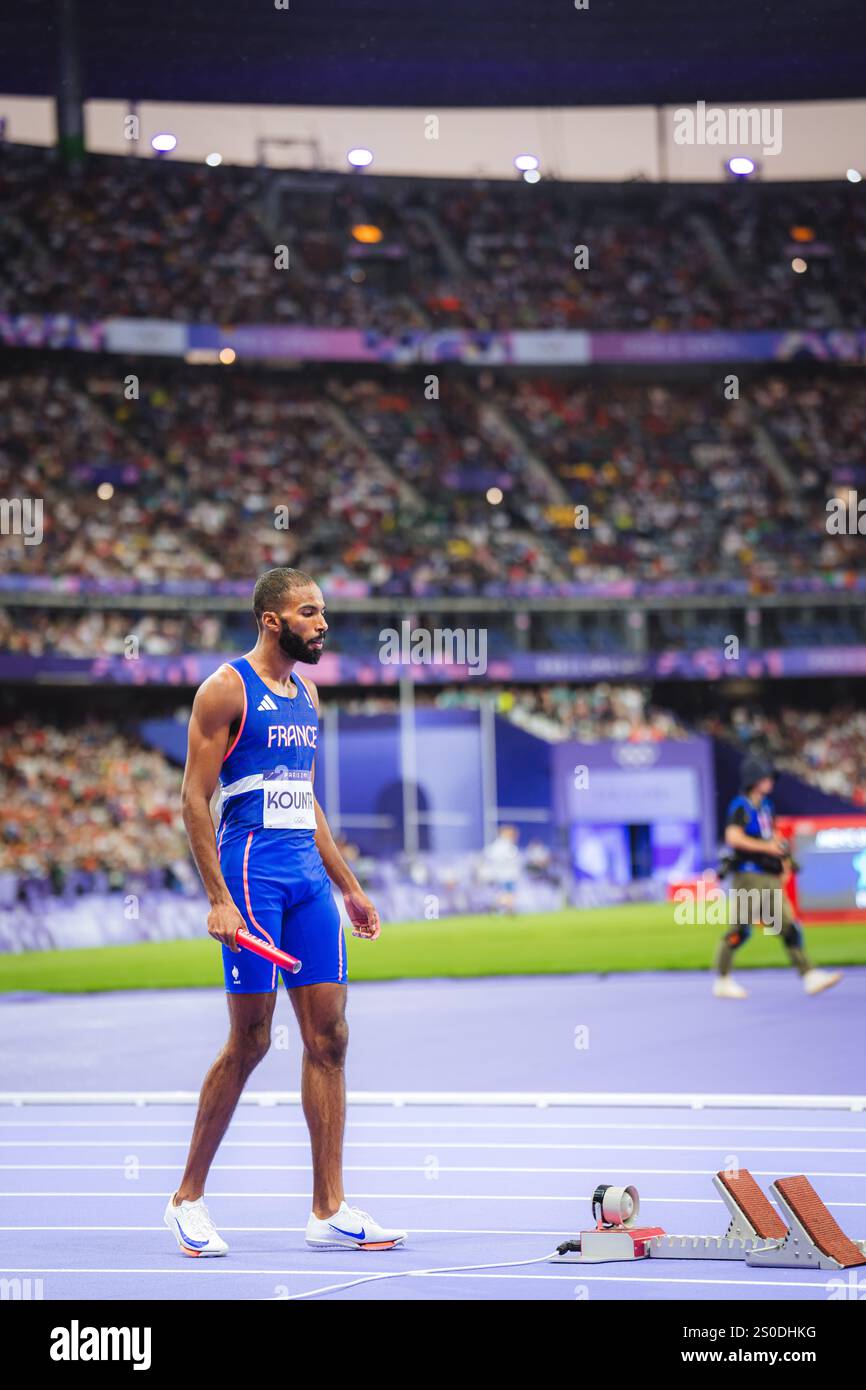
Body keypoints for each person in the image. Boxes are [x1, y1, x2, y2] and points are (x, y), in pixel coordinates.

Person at [164, 566, 406, 1254]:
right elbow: (193, 798)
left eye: (323, 610)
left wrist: (350, 886)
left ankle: (328, 1207)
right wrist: (218, 899)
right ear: (271, 620)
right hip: (250, 876)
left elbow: (306, 800)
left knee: (329, 1038)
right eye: (308, 612)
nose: (322, 623)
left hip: (305, 880)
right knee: (252, 1039)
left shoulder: (308, 694)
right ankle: (186, 1199)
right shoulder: (224, 690)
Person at [713, 755, 843, 1000]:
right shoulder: (741, 806)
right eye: (765, 777)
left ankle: (809, 974)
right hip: (749, 875)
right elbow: (734, 837)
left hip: (768, 875)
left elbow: (772, 839)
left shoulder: (766, 807)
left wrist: (783, 862)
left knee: (789, 926)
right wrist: (768, 849)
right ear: (754, 780)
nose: (770, 782)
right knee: (740, 931)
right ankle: (722, 977)